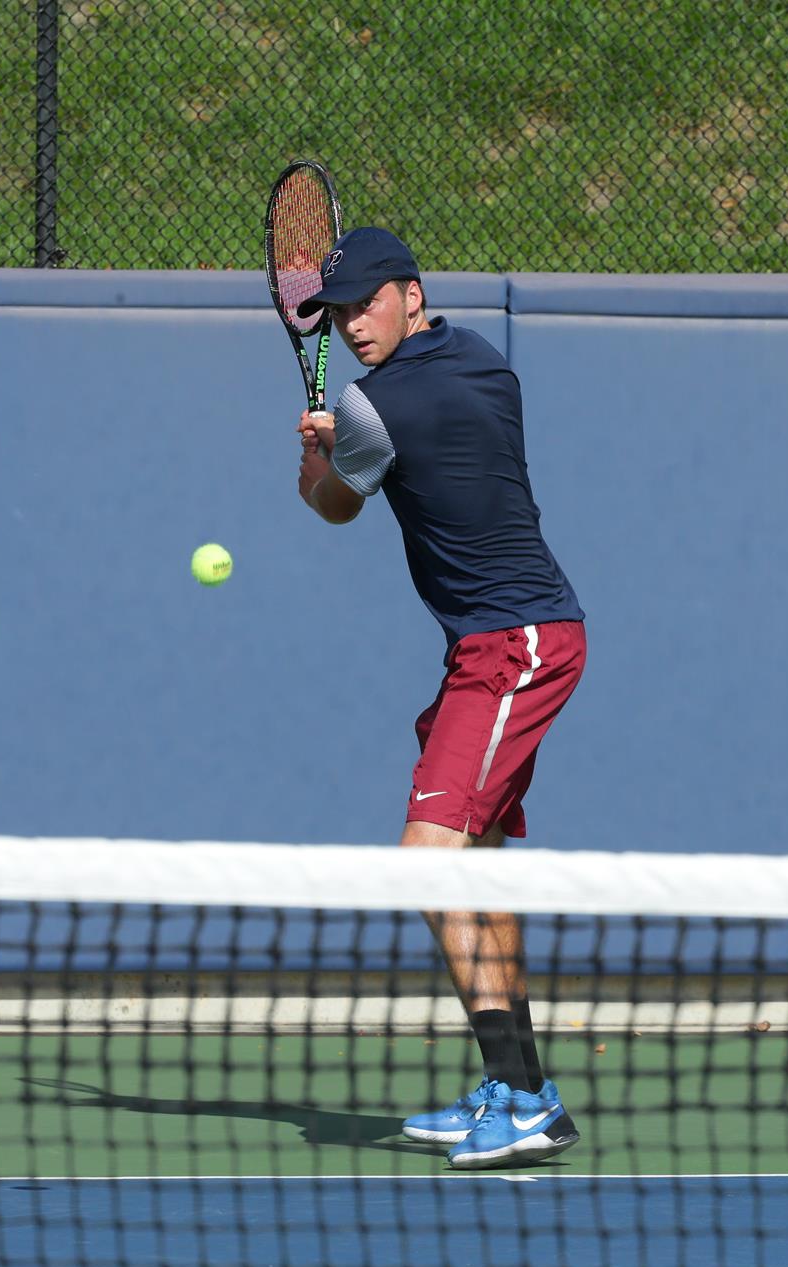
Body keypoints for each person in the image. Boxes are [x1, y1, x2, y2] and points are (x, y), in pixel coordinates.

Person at [293, 226, 586, 1169]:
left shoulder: (371, 407)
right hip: (514, 642)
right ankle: (522, 1090)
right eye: (334, 314)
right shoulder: (484, 357)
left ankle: (523, 1094)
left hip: (513, 648)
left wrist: (318, 457)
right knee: (482, 863)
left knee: (427, 862)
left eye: (363, 304)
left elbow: (333, 507)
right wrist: (350, 438)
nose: (349, 325)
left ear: (409, 294)